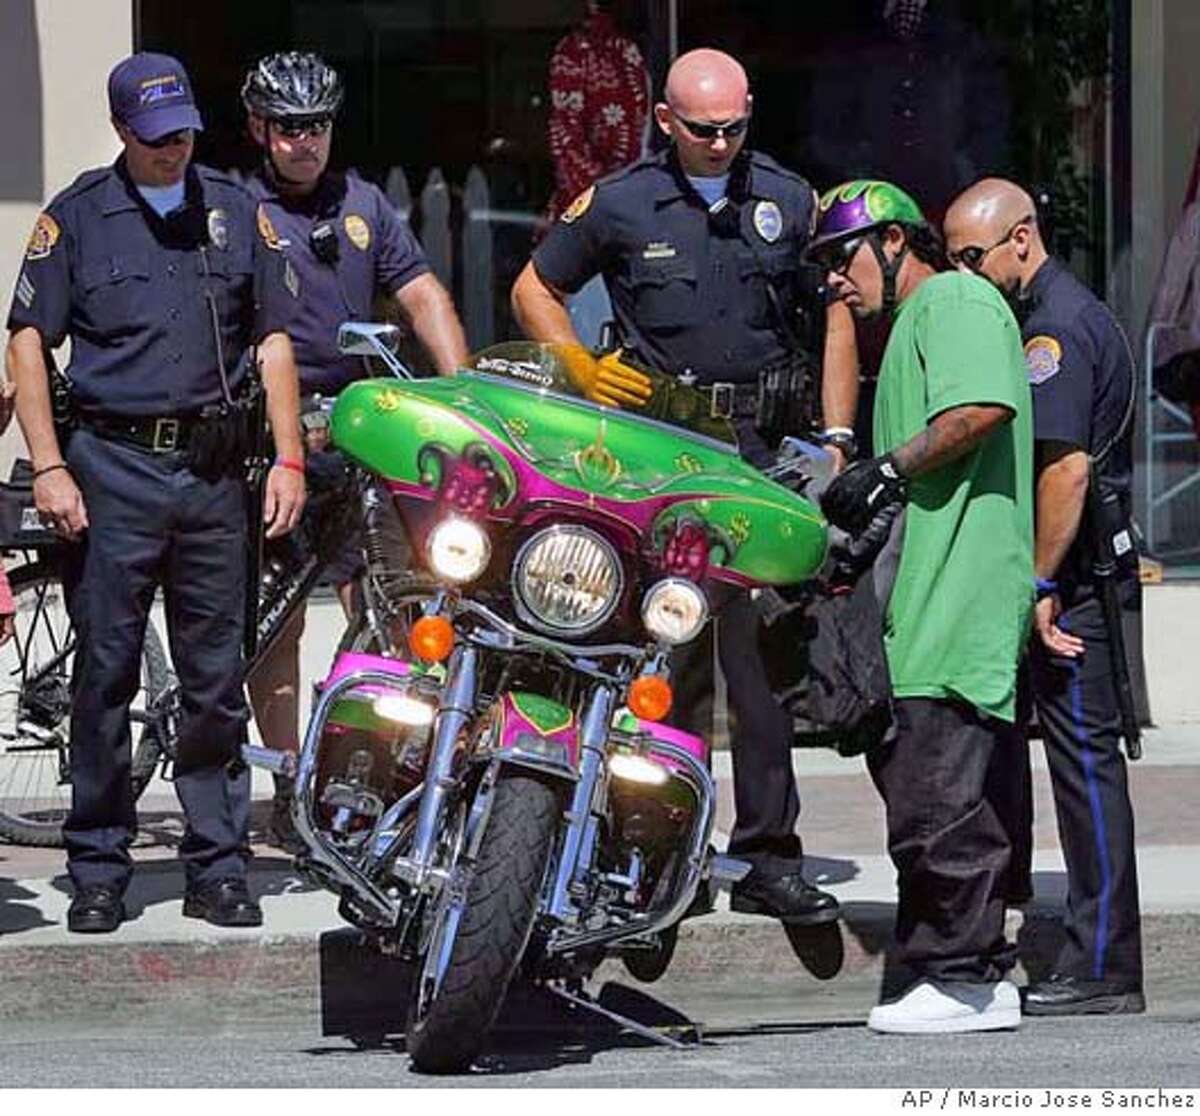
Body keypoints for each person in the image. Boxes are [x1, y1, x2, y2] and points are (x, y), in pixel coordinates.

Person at [511, 47, 858, 925]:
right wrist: (582, 367)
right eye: (703, 129)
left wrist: (838, 439)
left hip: (761, 453)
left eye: (735, 127)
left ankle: (769, 854)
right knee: (667, 657)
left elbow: (836, 314)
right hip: (662, 451)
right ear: (666, 121)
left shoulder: (783, 197)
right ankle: (662, 852)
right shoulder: (624, 200)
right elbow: (534, 289)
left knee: (764, 665)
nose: (719, 142)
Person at [4, 52, 306, 933]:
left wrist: (286, 456)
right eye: (156, 136)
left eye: (183, 134)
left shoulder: (237, 213)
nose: (174, 149)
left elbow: (273, 342)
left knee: (215, 682)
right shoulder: (78, 221)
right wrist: (50, 465)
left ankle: (218, 864)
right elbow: (29, 342)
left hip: (214, 474)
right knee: (107, 674)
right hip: (112, 470)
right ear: (122, 131)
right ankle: (99, 865)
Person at [813, 179, 1033, 1032]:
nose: (837, 279)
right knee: (920, 790)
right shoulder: (915, 321)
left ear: (897, 243)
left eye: (844, 258)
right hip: (924, 596)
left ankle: (970, 978)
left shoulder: (955, 297)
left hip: (958, 593)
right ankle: (945, 965)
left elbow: (983, 407)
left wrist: (888, 466)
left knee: (941, 800)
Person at [239, 51, 470, 853]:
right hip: (273, 434)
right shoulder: (235, 207)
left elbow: (422, 294)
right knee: (282, 622)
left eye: (319, 126)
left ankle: (366, 777)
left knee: (397, 604)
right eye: (291, 128)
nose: (307, 142)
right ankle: (287, 783)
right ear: (260, 129)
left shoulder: (365, 202)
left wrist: (464, 390)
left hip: (361, 426)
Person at [944, 178, 1145, 1015]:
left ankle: (1104, 965)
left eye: (971, 257)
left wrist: (1037, 583)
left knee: (1086, 773)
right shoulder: (1039, 313)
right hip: (1070, 579)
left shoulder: (1052, 330)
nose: (963, 274)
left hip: (1074, 588)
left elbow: (1064, 472)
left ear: (1021, 240)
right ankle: (1066, 946)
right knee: (1046, 765)